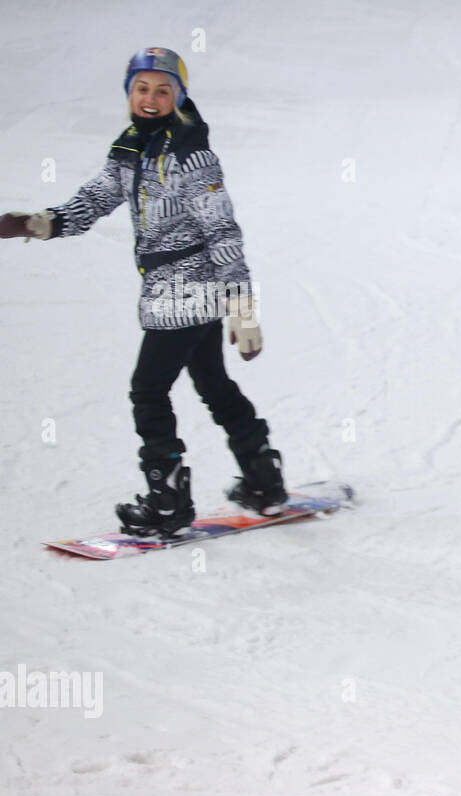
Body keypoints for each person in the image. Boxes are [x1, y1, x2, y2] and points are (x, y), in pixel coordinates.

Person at [0, 47, 285, 535]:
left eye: (162, 89)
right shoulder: (133, 148)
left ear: (179, 95)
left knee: (148, 391)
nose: (151, 99)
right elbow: (96, 198)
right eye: (141, 88)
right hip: (175, 290)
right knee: (213, 385)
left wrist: (242, 305)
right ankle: (263, 479)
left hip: (185, 287)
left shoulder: (191, 153)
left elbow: (222, 229)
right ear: (129, 94)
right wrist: (43, 223)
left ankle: (168, 501)